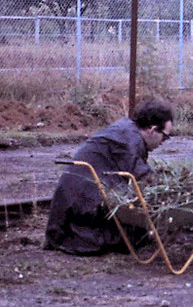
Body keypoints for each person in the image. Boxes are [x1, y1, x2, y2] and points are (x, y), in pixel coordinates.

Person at [45, 99, 174, 255]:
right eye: (165, 137)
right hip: (81, 212)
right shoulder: (129, 140)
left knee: (140, 231)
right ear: (152, 130)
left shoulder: (127, 130)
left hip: (77, 204)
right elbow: (144, 177)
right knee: (137, 236)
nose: (163, 143)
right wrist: (173, 187)